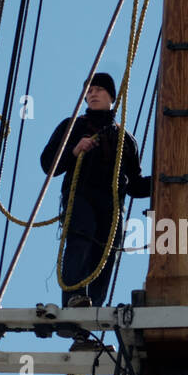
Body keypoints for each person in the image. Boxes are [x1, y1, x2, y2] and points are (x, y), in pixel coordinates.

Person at [40, 73, 150, 308]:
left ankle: (93, 309)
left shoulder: (125, 139)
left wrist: (164, 181)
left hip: (111, 206)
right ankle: (73, 298)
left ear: (111, 96)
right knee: (81, 238)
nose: (93, 94)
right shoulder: (73, 126)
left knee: (106, 255)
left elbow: (136, 186)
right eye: (89, 91)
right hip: (81, 197)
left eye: (98, 89)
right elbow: (47, 163)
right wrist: (74, 150)